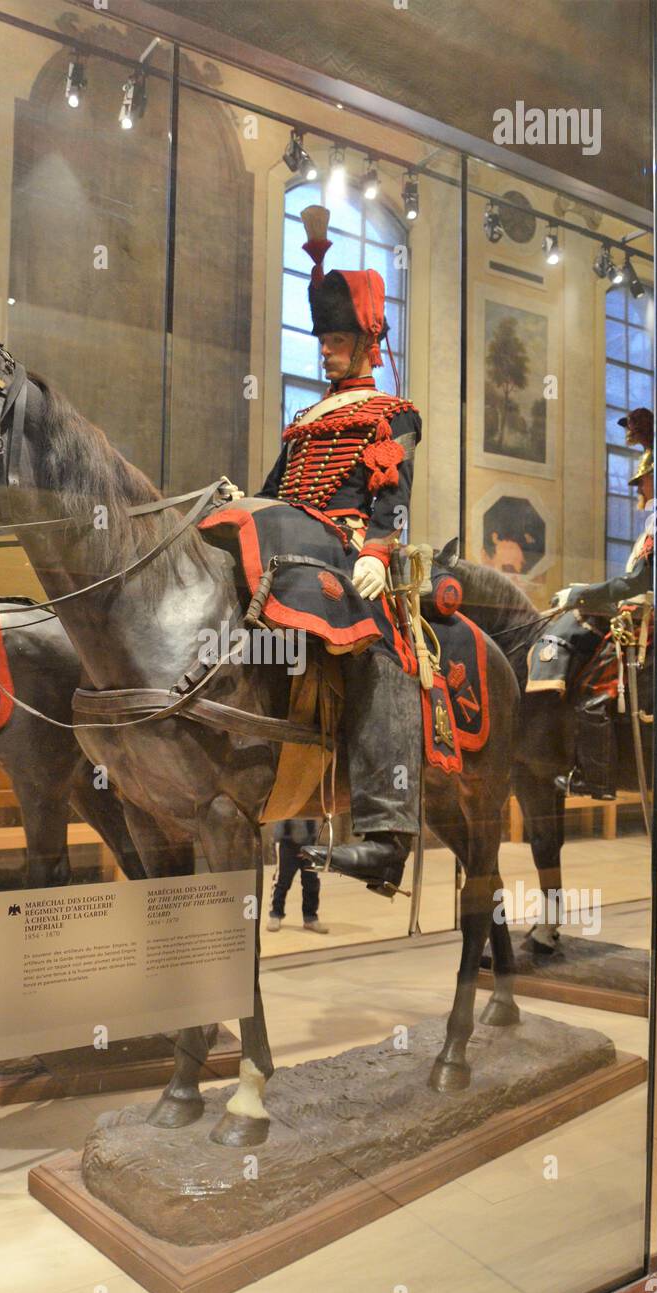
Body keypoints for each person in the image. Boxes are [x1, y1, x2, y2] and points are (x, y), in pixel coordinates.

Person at [257, 205, 423, 893]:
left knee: (374, 642)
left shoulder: (392, 414)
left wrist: (378, 552)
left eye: (336, 338)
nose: (323, 349)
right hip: (285, 537)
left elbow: (393, 496)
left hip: (346, 547)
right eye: (322, 338)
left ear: (364, 341)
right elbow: (276, 487)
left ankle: (384, 833)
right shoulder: (304, 422)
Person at [550, 407, 657, 799]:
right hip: (648, 614)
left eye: (643, 481)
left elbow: (639, 581)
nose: (638, 490)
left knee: (594, 691)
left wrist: (581, 594)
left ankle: (597, 778)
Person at [267, 818, 326, 933]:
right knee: (282, 882)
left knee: (311, 883)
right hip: (287, 845)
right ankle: (275, 915)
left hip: (308, 844)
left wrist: (312, 841)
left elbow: (314, 820)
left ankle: (310, 918)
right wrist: (279, 841)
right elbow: (279, 825)